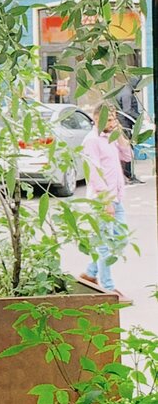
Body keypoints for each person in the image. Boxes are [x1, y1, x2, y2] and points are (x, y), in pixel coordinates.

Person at [79, 104, 132, 294]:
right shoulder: (91, 140)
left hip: (116, 197)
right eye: (108, 119)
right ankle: (108, 288)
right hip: (102, 199)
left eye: (113, 118)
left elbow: (127, 157)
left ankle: (90, 273)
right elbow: (93, 172)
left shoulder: (112, 137)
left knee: (121, 239)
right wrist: (105, 200)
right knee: (105, 245)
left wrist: (121, 136)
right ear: (96, 118)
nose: (112, 122)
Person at [116, 77, 143, 184]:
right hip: (124, 126)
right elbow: (127, 111)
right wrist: (140, 118)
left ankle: (127, 175)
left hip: (123, 125)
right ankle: (129, 175)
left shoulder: (124, 91)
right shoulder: (127, 93)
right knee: (127, 150)